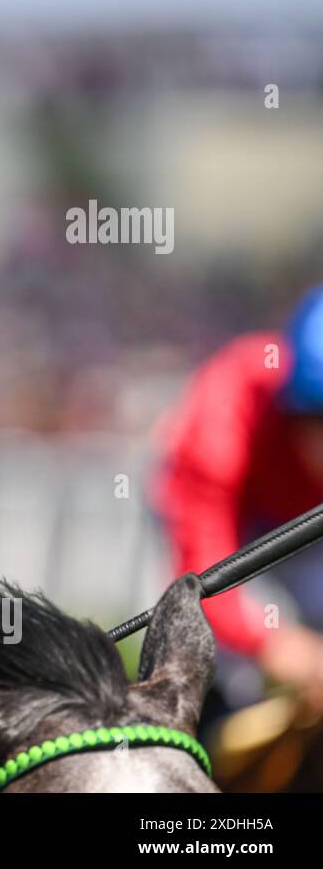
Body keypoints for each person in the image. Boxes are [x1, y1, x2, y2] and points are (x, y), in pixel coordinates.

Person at [152, 285, 323, 734]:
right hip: (240, 533)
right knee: (214, 669)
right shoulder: (227, 408)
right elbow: (202, 575)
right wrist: (273, 644)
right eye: (318, 421)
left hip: (307, 538)